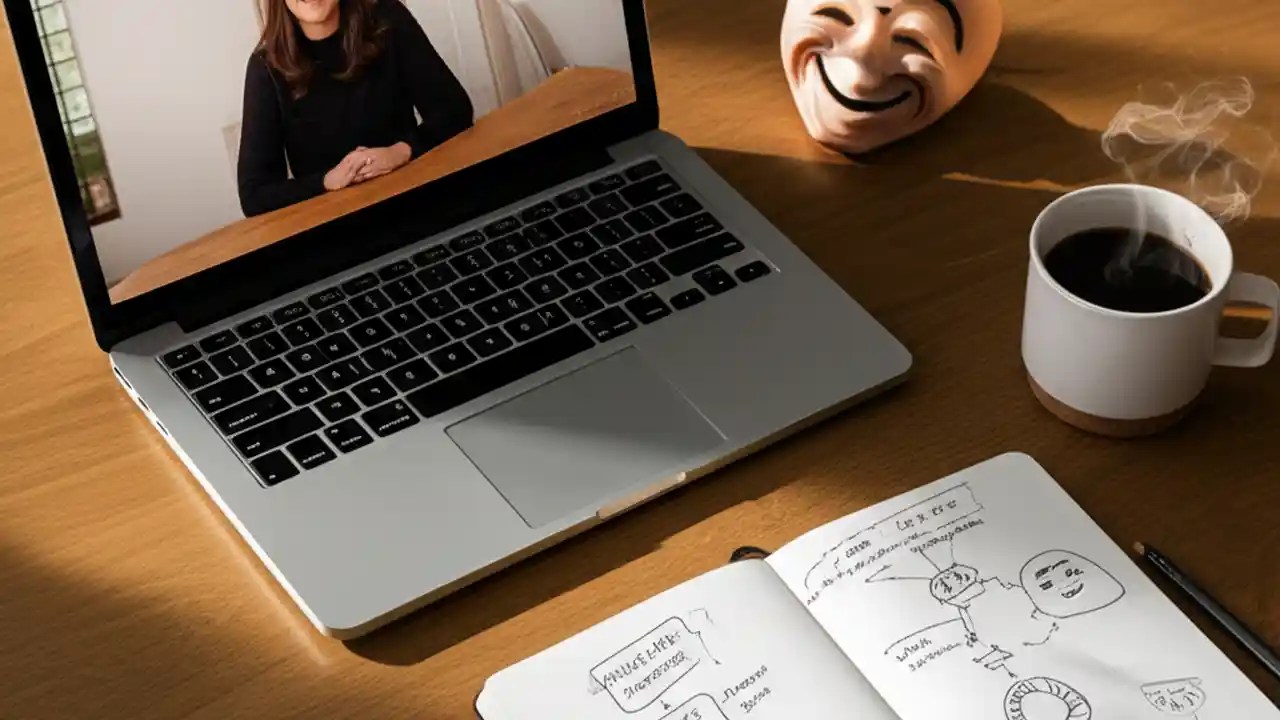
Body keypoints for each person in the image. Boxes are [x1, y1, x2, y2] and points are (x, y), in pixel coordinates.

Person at [238, 0, 474, 217]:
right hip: (337, 223)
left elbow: (455, 110)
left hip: (416, 198)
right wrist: (326, 181)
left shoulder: (387, 19)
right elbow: (255, 194)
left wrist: (402, 151)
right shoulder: (265, 66)